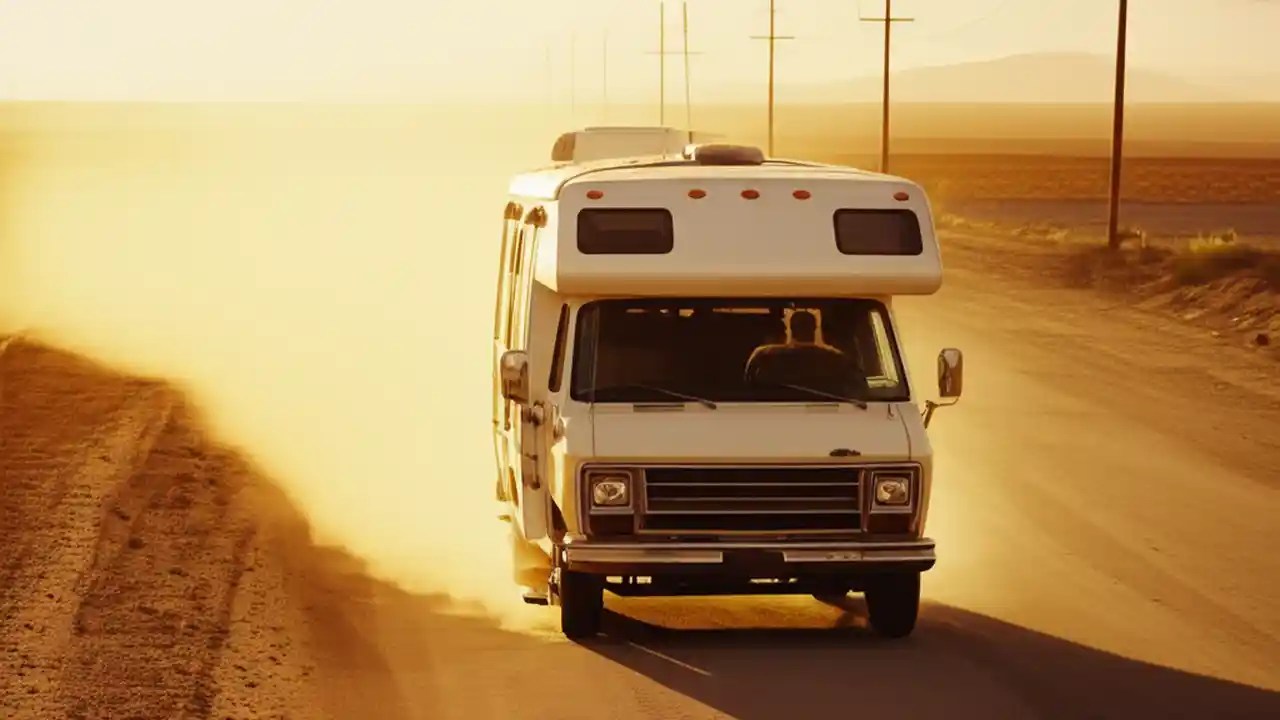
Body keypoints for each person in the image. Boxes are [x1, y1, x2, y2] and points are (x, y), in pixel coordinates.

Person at [743, 309, 852, 392]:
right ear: (814, 328)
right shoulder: (836, 359)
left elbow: (749, 388)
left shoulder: (763, 355)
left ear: (790, 329)